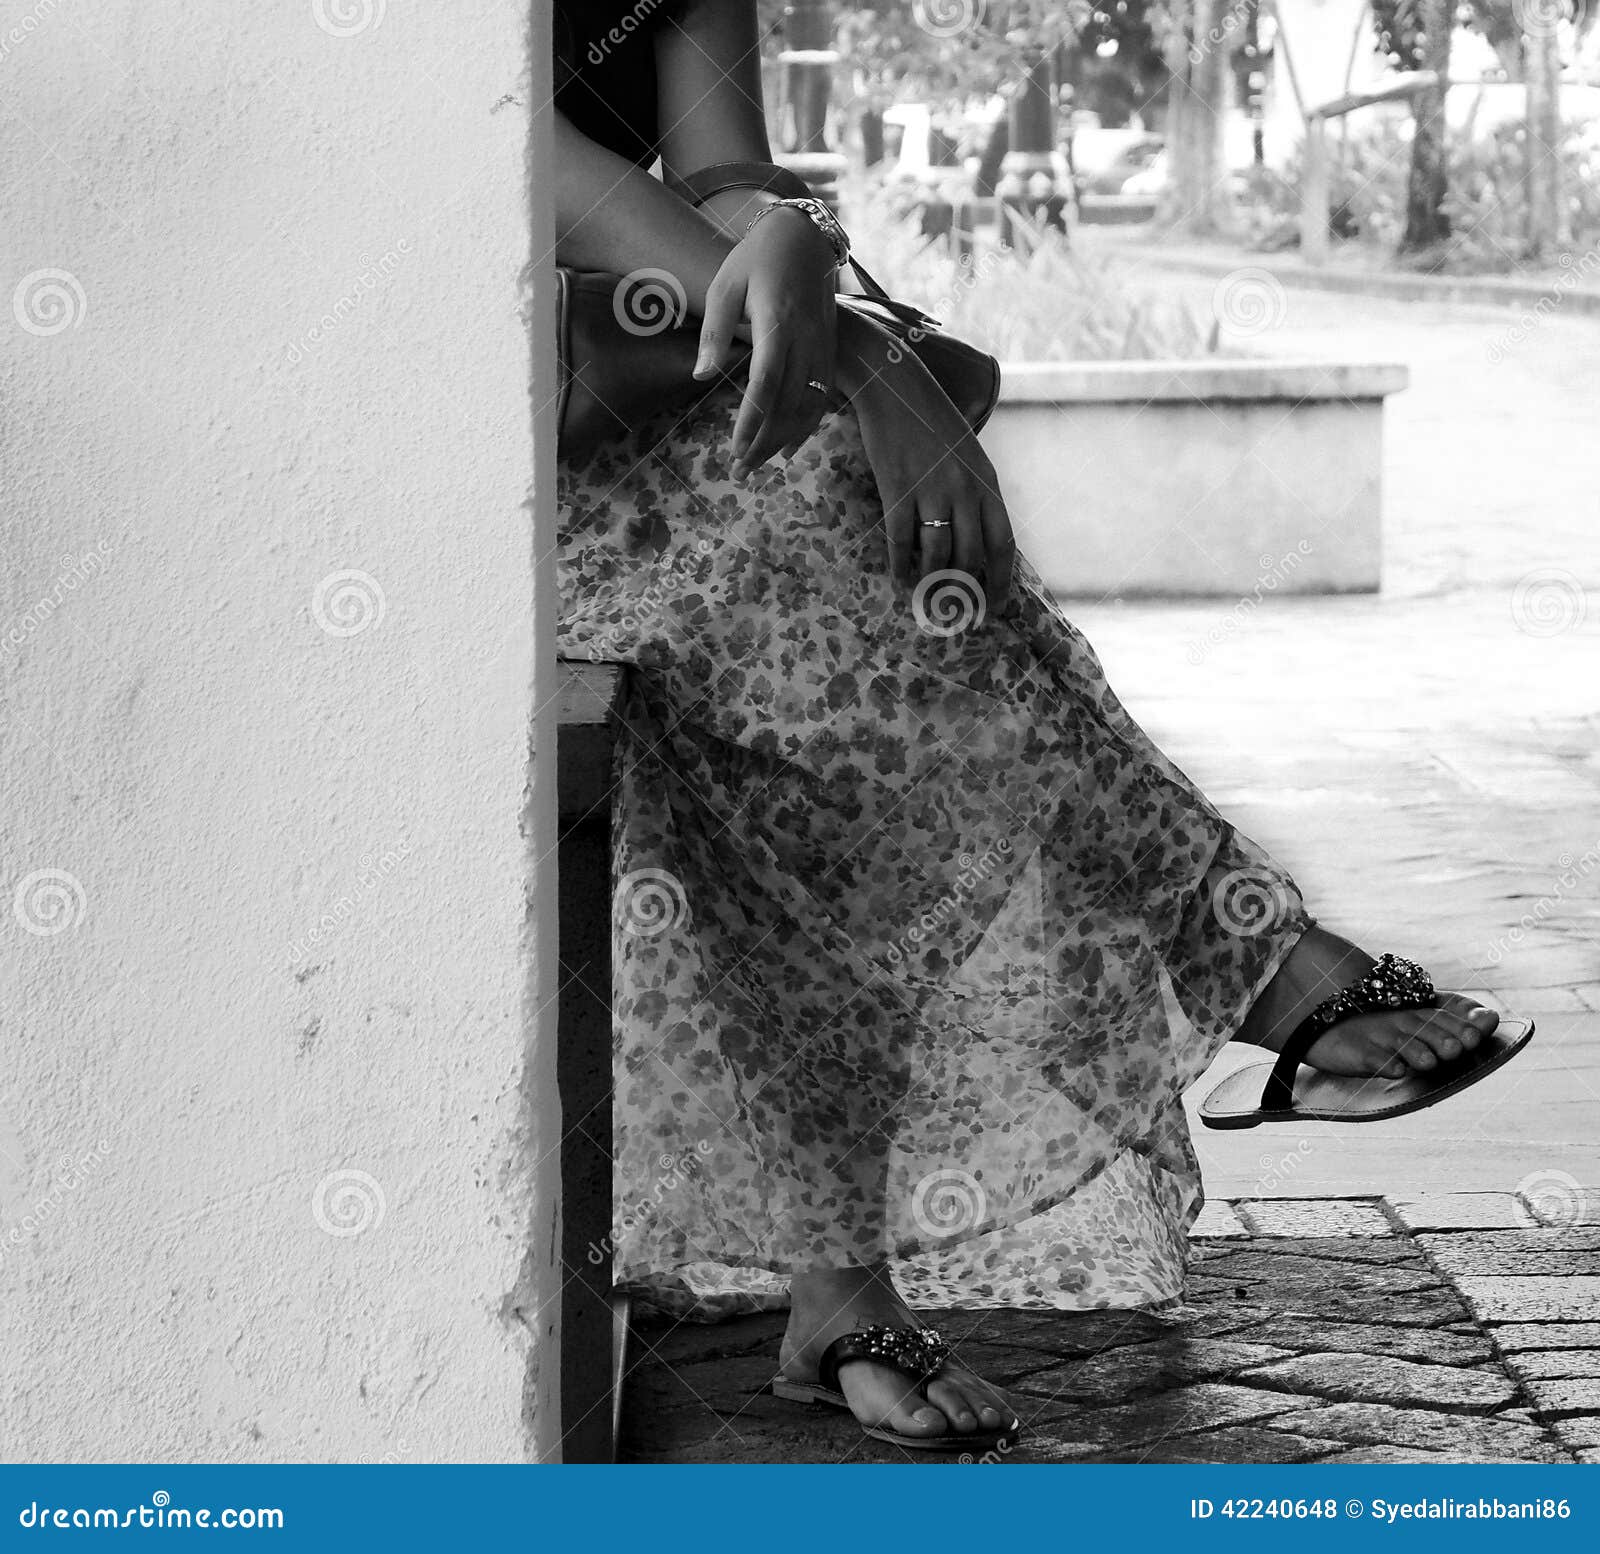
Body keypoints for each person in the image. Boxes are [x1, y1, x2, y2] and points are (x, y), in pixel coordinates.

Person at [552, 0, 1524, 1451]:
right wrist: (862, 356)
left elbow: (720, 172)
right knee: (851, 572)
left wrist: (798, 240)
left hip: (683, 411)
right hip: (481, 445)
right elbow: (505, 154)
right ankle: (1250, 958)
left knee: (866, 625)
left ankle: (844, 1286)